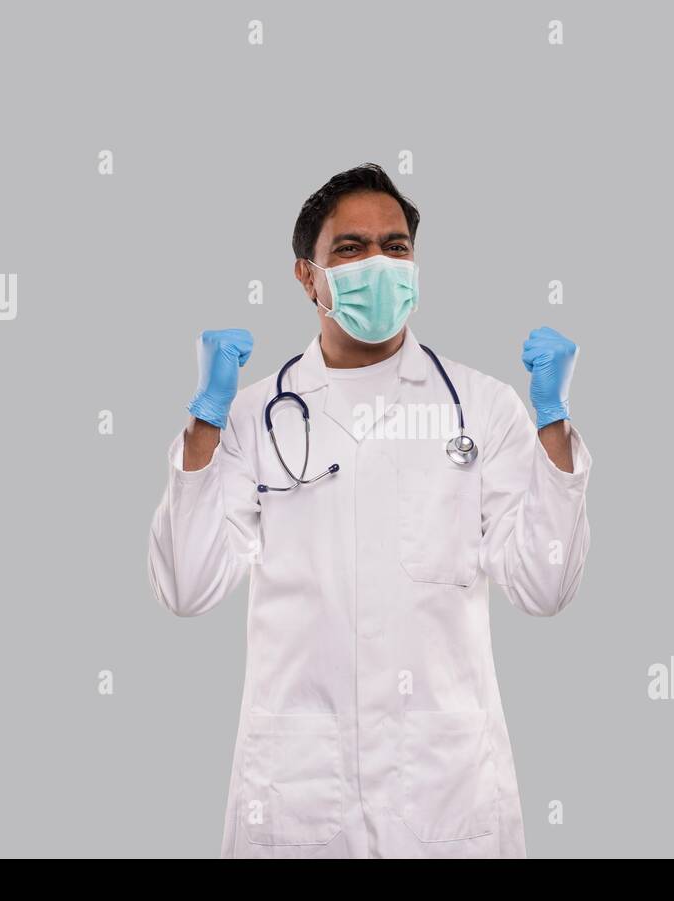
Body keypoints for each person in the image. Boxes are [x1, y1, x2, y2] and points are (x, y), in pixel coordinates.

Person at [147, 163, 592, 858]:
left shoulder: (484, 407)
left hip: (445, 790)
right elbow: (186, 587)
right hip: (297, 786)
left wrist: (554, 431)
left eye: (395, 246)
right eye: (350, 250)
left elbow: (544, 588)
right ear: (307, 276)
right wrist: (205, 424)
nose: (377, 265)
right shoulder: (252, 413)